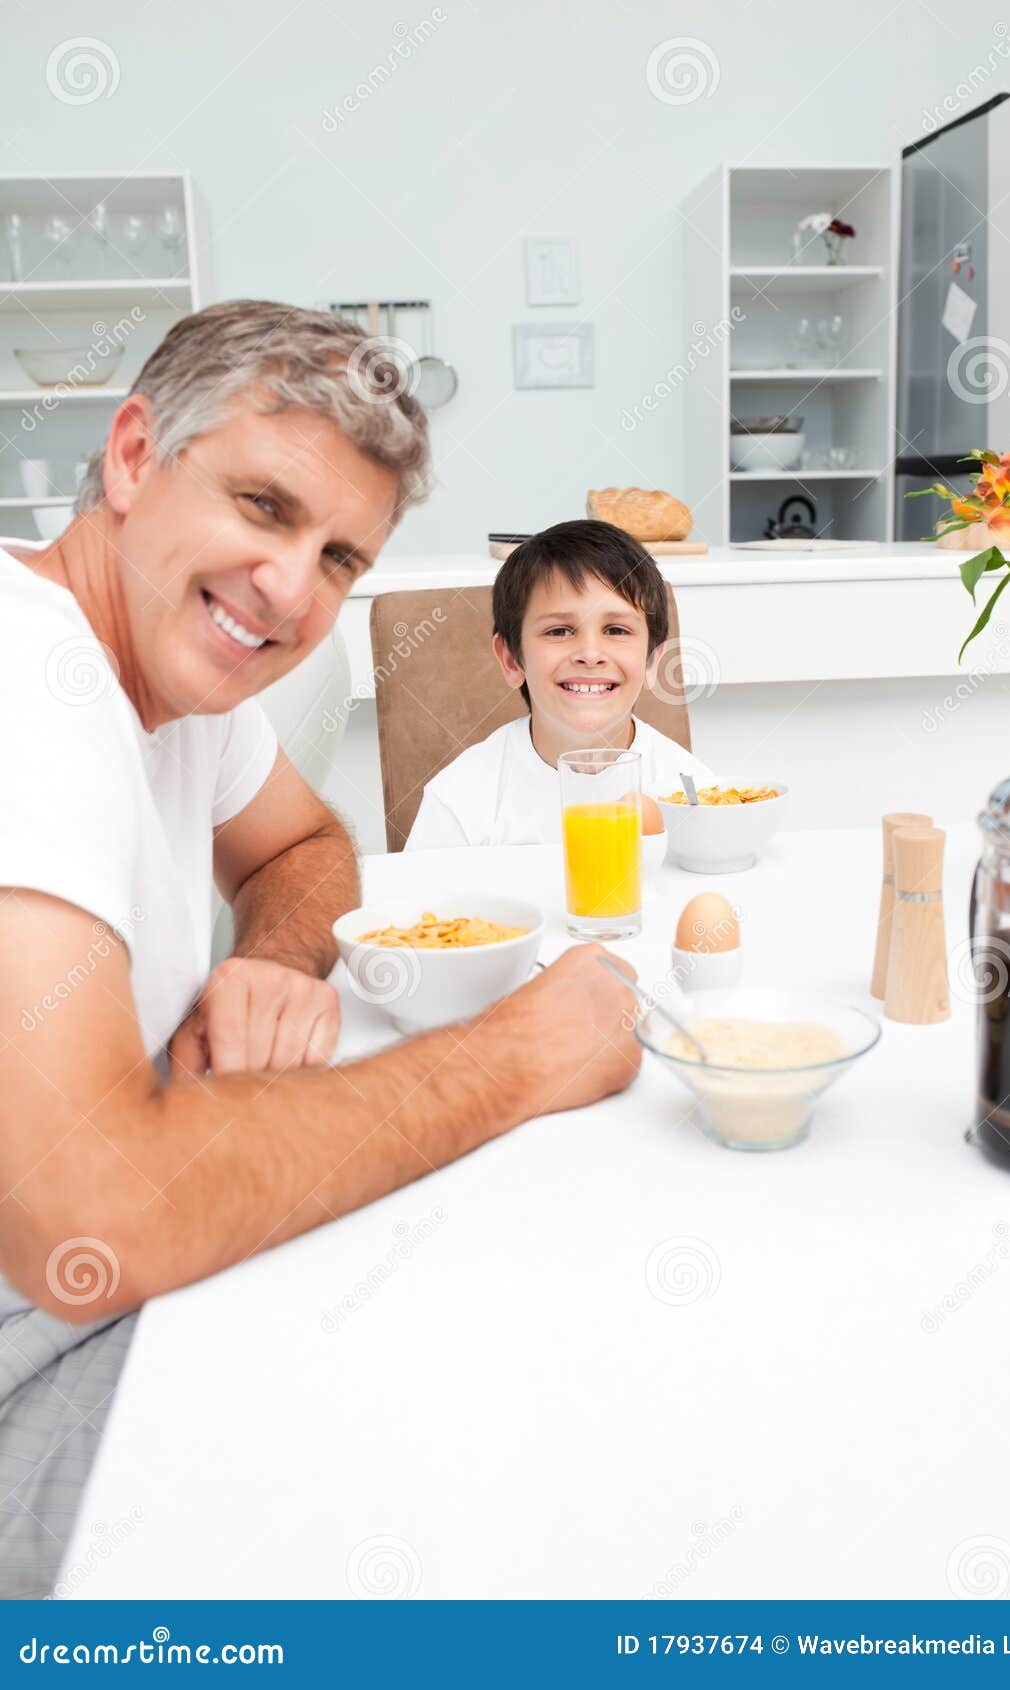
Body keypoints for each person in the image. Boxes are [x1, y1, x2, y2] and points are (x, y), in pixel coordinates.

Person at [0, 300, 639, 1597]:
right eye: (262, 506)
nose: (292, 590)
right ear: (132, 457)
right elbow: (98, 1212)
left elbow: (304, 849)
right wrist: (515, 1053)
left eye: (342, 555)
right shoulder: (29, 678)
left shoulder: (179, 684)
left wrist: (273, 963)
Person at [405, 520, 714, 849]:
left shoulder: (691, 791)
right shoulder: (460, 799)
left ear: (652, 661)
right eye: (559, 631)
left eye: (616, 630)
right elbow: (420, 899)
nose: (590, 655)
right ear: (511, 660)